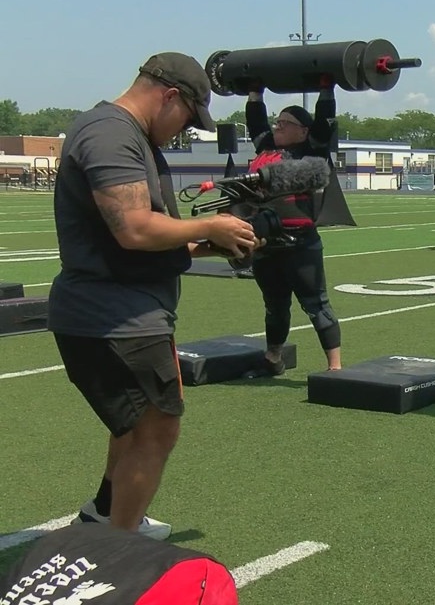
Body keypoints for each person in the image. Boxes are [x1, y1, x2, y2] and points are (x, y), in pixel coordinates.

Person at [49, 52, 259, 539]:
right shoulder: (111, 133)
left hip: (117, 309)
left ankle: (107, 513)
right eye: (188, 115)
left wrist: (219, 240)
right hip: (116, 315)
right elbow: (134, 229)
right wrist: (208, 222)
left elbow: (148, 236)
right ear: (169, 96)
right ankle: (117, 551)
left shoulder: (124, 134)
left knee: (133, 425)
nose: (185, 129)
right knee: (156, 429)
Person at [244, 84, 343, 373]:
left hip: (300, 244)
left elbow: (324, 120)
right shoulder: (266, 148)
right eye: (278, 121)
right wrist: (255, 93)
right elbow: (256, 123)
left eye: (286, 123)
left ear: (303, 131)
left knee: (316, 305)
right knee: (274, 306)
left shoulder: (312, 150)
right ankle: (273, 359)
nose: (278, 127)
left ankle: (334, 367)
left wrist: (326, 90)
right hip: (265, 242)